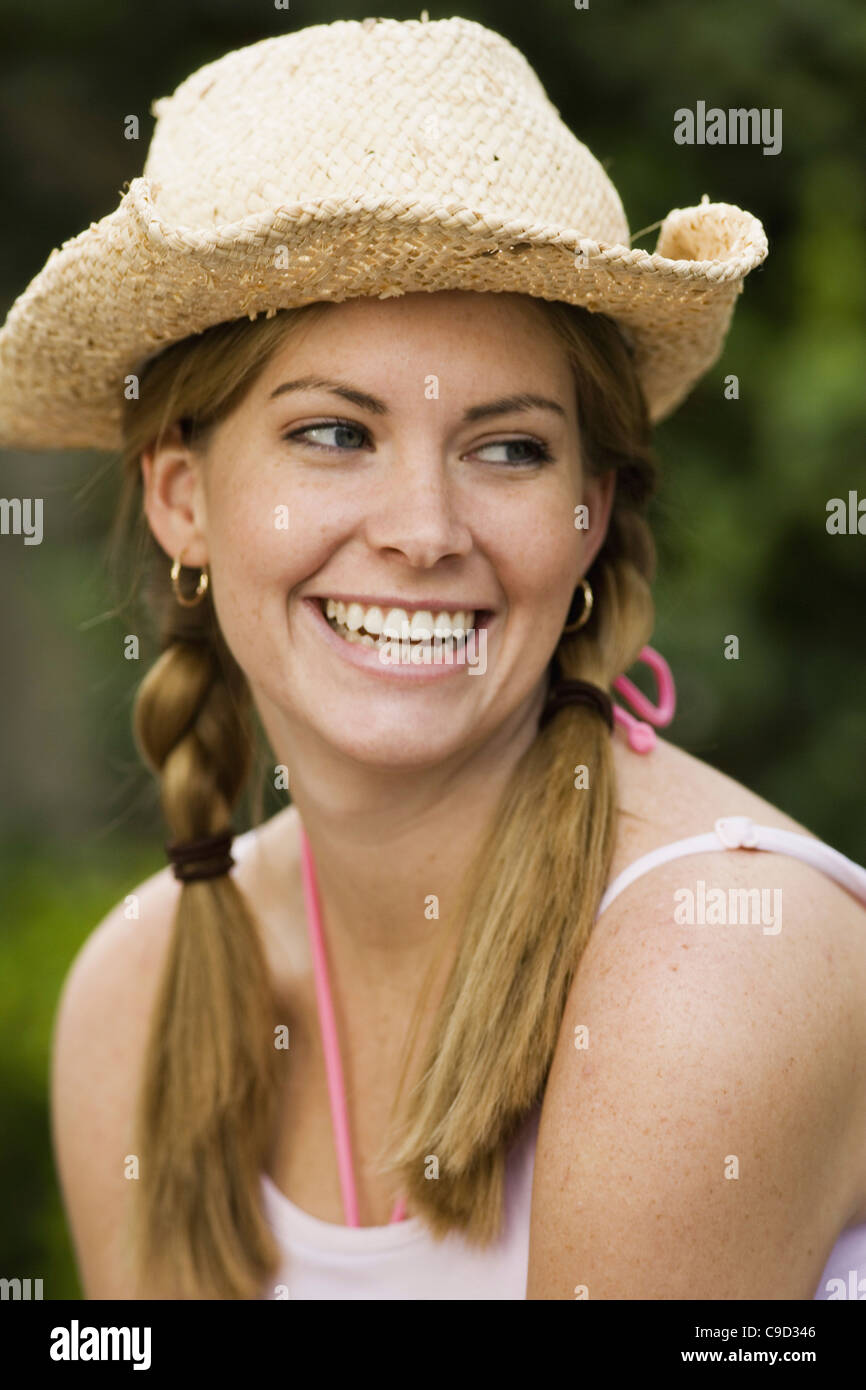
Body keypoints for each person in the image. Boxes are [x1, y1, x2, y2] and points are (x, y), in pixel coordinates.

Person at [3, 16, 864, 1301]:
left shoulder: (711, 959)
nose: (421, 533)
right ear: (182, 495)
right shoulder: (133, 999)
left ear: (593, 511)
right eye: (334, 433)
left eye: (508, 447)